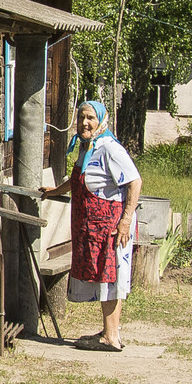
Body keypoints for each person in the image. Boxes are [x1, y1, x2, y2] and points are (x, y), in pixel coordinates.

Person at [41, 99, 141, 351]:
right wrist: (55, 191)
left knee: (111, 276)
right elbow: (79, 180)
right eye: (81, 117)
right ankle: (110, 332)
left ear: (101, 121)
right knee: (104, 276)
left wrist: (126, 220)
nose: (85, 123)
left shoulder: (109, 148)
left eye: (91, 118)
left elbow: (134, 181)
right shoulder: (88, 148)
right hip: (93, 225)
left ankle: (110, 337)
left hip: (111, 225)